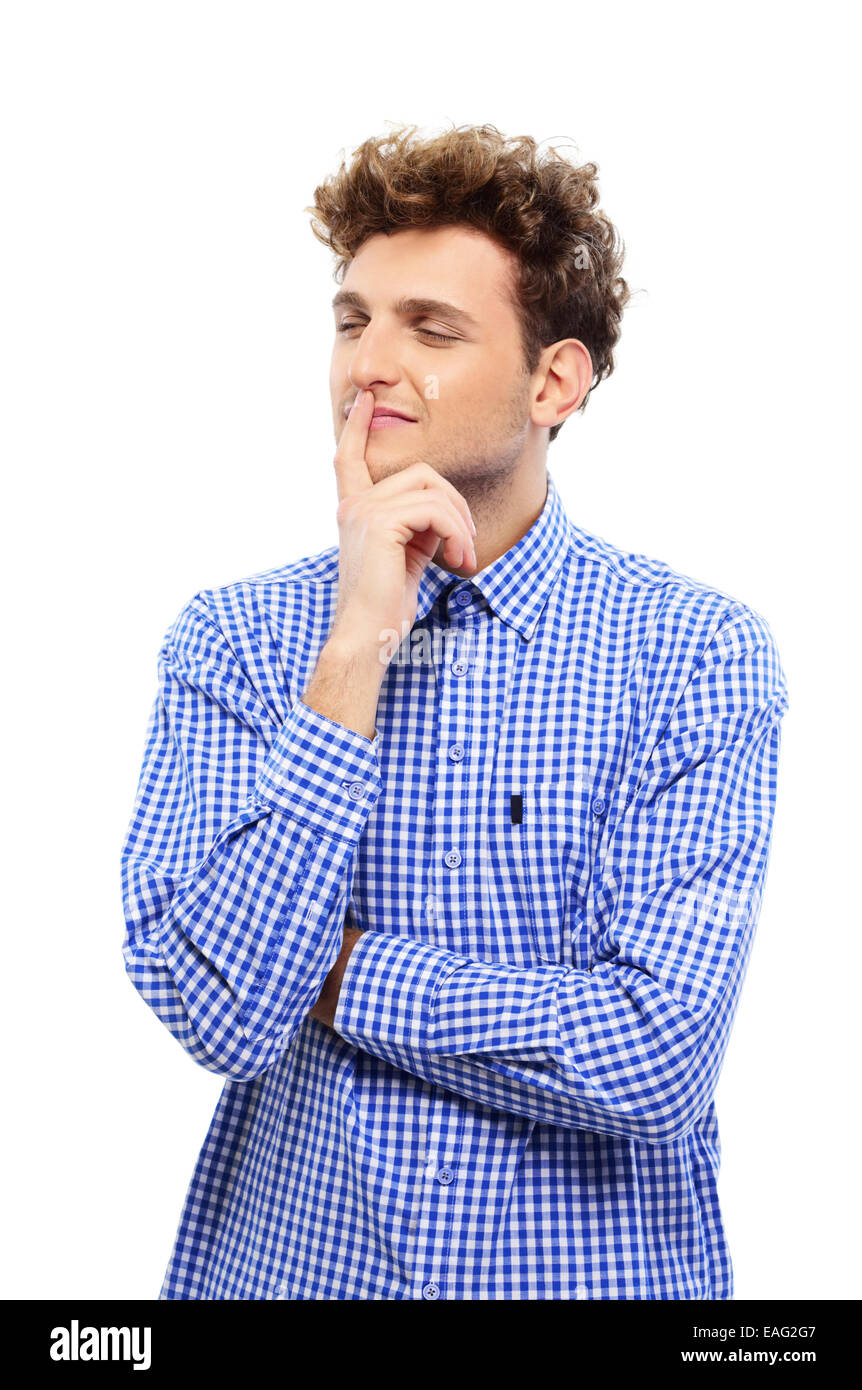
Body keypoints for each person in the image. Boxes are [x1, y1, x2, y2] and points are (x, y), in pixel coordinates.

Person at [120, 122, 788, 1300]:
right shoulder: (232, 642)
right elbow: (220, 1006)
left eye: (430, 328)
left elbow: (651, 1055)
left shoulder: (693, 655)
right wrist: (356, 643)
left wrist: (336, 976)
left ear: (554, 381)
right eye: (351, 319)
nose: (366, 364)